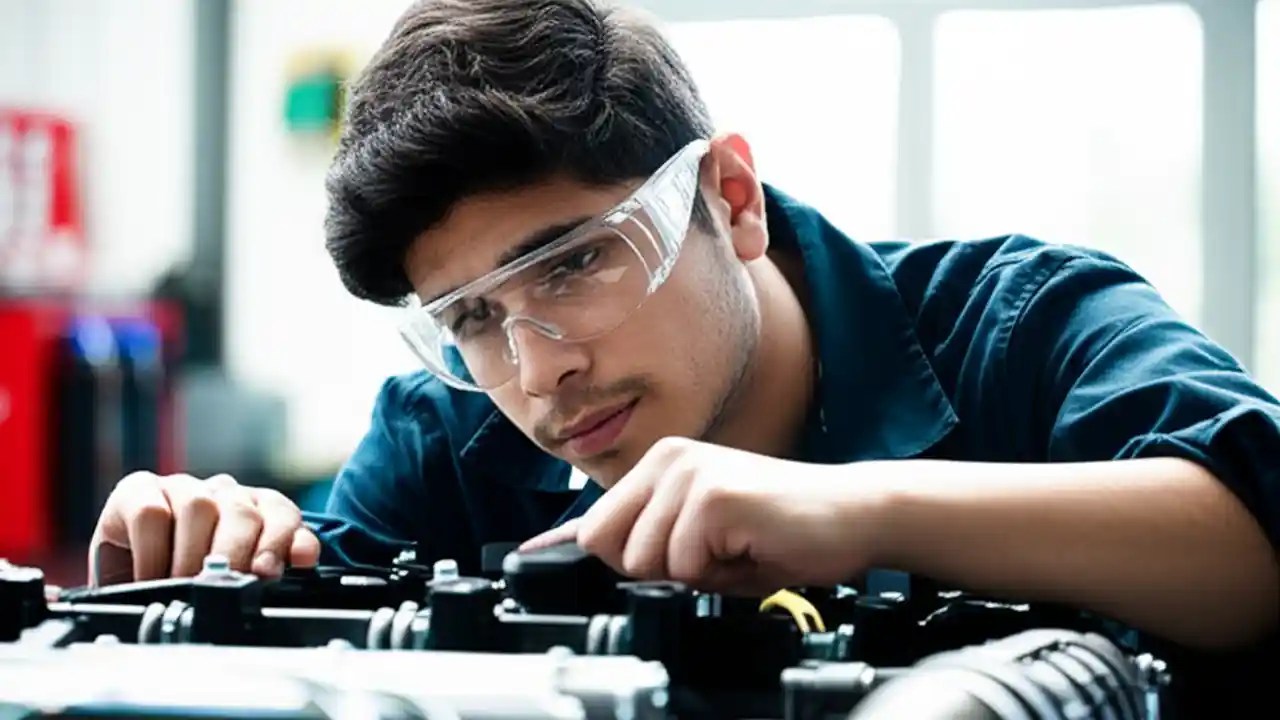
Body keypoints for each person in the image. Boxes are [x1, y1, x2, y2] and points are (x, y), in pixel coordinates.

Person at [90, 0, 1276, 712]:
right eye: (470, 319)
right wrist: (208, 548)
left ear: (730, 196)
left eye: (571, 265)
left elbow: (1251, 537)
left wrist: (852, 511)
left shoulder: (1020, 323)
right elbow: (307, 640)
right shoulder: (445, 434)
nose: (536, 369)